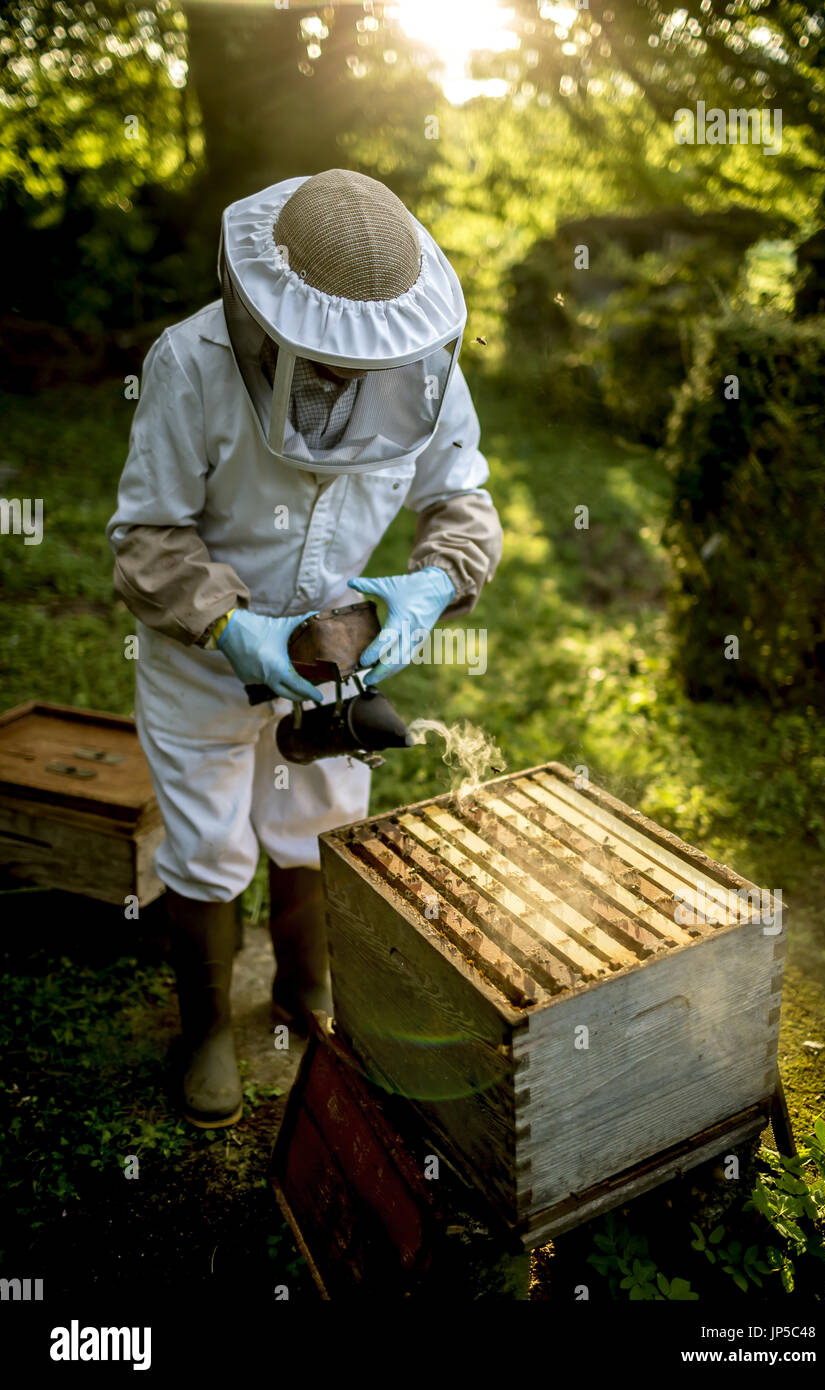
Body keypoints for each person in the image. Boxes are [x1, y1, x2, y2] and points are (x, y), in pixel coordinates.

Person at [107, 168, 503, 1128]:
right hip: (201, 653)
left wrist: (431, 584)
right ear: (264, 327)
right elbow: (148, 536)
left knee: (319, 824)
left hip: (336, 658)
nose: (348, 391)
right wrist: (232, 625)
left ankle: (302, 989)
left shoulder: (420, 361)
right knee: (206, 841)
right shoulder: (189, 362)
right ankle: (206, 1030)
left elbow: (462, 501)